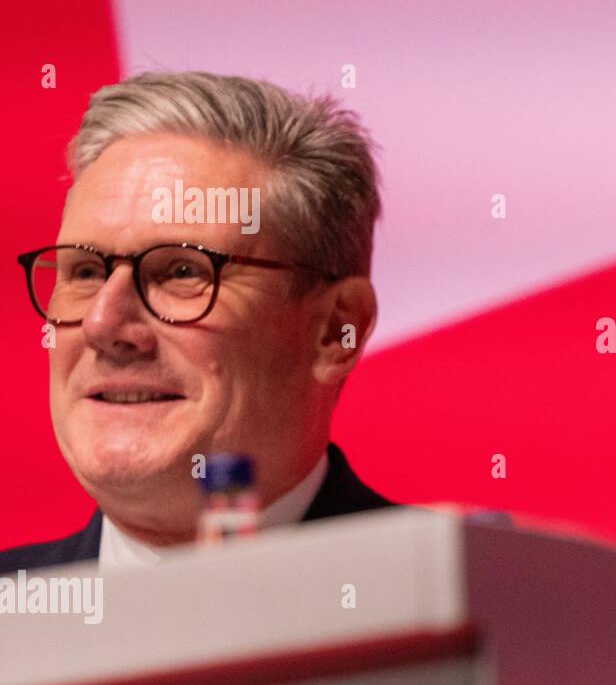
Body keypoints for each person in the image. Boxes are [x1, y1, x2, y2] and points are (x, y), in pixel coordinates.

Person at [3, 72, 394, 573]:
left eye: (182, 272)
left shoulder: (483, 606)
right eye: (85, 272)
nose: (104, 323)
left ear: (335, 330)